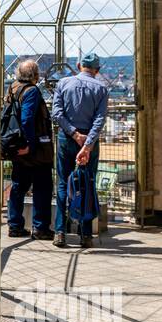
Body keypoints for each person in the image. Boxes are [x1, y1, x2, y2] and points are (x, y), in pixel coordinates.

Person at [50, 52, 109, 248]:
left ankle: (60, 231)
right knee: (87, 183)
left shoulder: (63, 83)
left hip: (67, 138)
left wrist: (74, 134)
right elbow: (99, 120)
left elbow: (57, 113)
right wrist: (87, 144)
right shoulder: (101, 88)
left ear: (78, 65)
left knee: (62, 183)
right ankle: (85, 234)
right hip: (89, 141)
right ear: (97, 70)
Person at [5, 59, 54, 240]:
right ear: (35, 75)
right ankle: (40, 227)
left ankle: (15, 225)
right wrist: (30, 145)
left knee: (18, 185)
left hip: (17, 145)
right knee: (42, 187)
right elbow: (26, 120)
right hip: (34, 149)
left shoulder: (13, 88)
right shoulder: (32, 91)